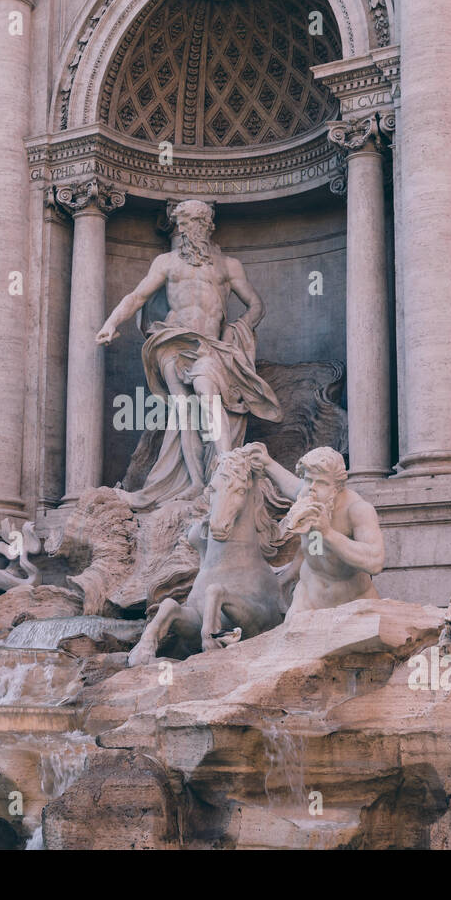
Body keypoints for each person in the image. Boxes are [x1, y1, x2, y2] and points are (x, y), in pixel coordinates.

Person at [96, 200, 281, 509]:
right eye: (180, 222)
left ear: (206, 224)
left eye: (189, 221)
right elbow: (137, 296)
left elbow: (256, 304)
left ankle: (225, 465)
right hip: (173, 341)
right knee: (183, 412)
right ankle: (196, 481)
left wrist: (236, 331)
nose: (182, 228)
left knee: (206, 388)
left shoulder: (227, 266)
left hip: (209, 346)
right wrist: (111, 323)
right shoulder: (166, 262)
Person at [254, 444, 385, 614]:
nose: (311, 489)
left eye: (321, 483)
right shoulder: (307, 494)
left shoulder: (357, 510)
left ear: (337, 487)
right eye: (308, 480)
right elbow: (287, 482)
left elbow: (375, 562)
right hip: (307, 598)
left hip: (353, 601)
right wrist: (266, 461)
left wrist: (328, 534)